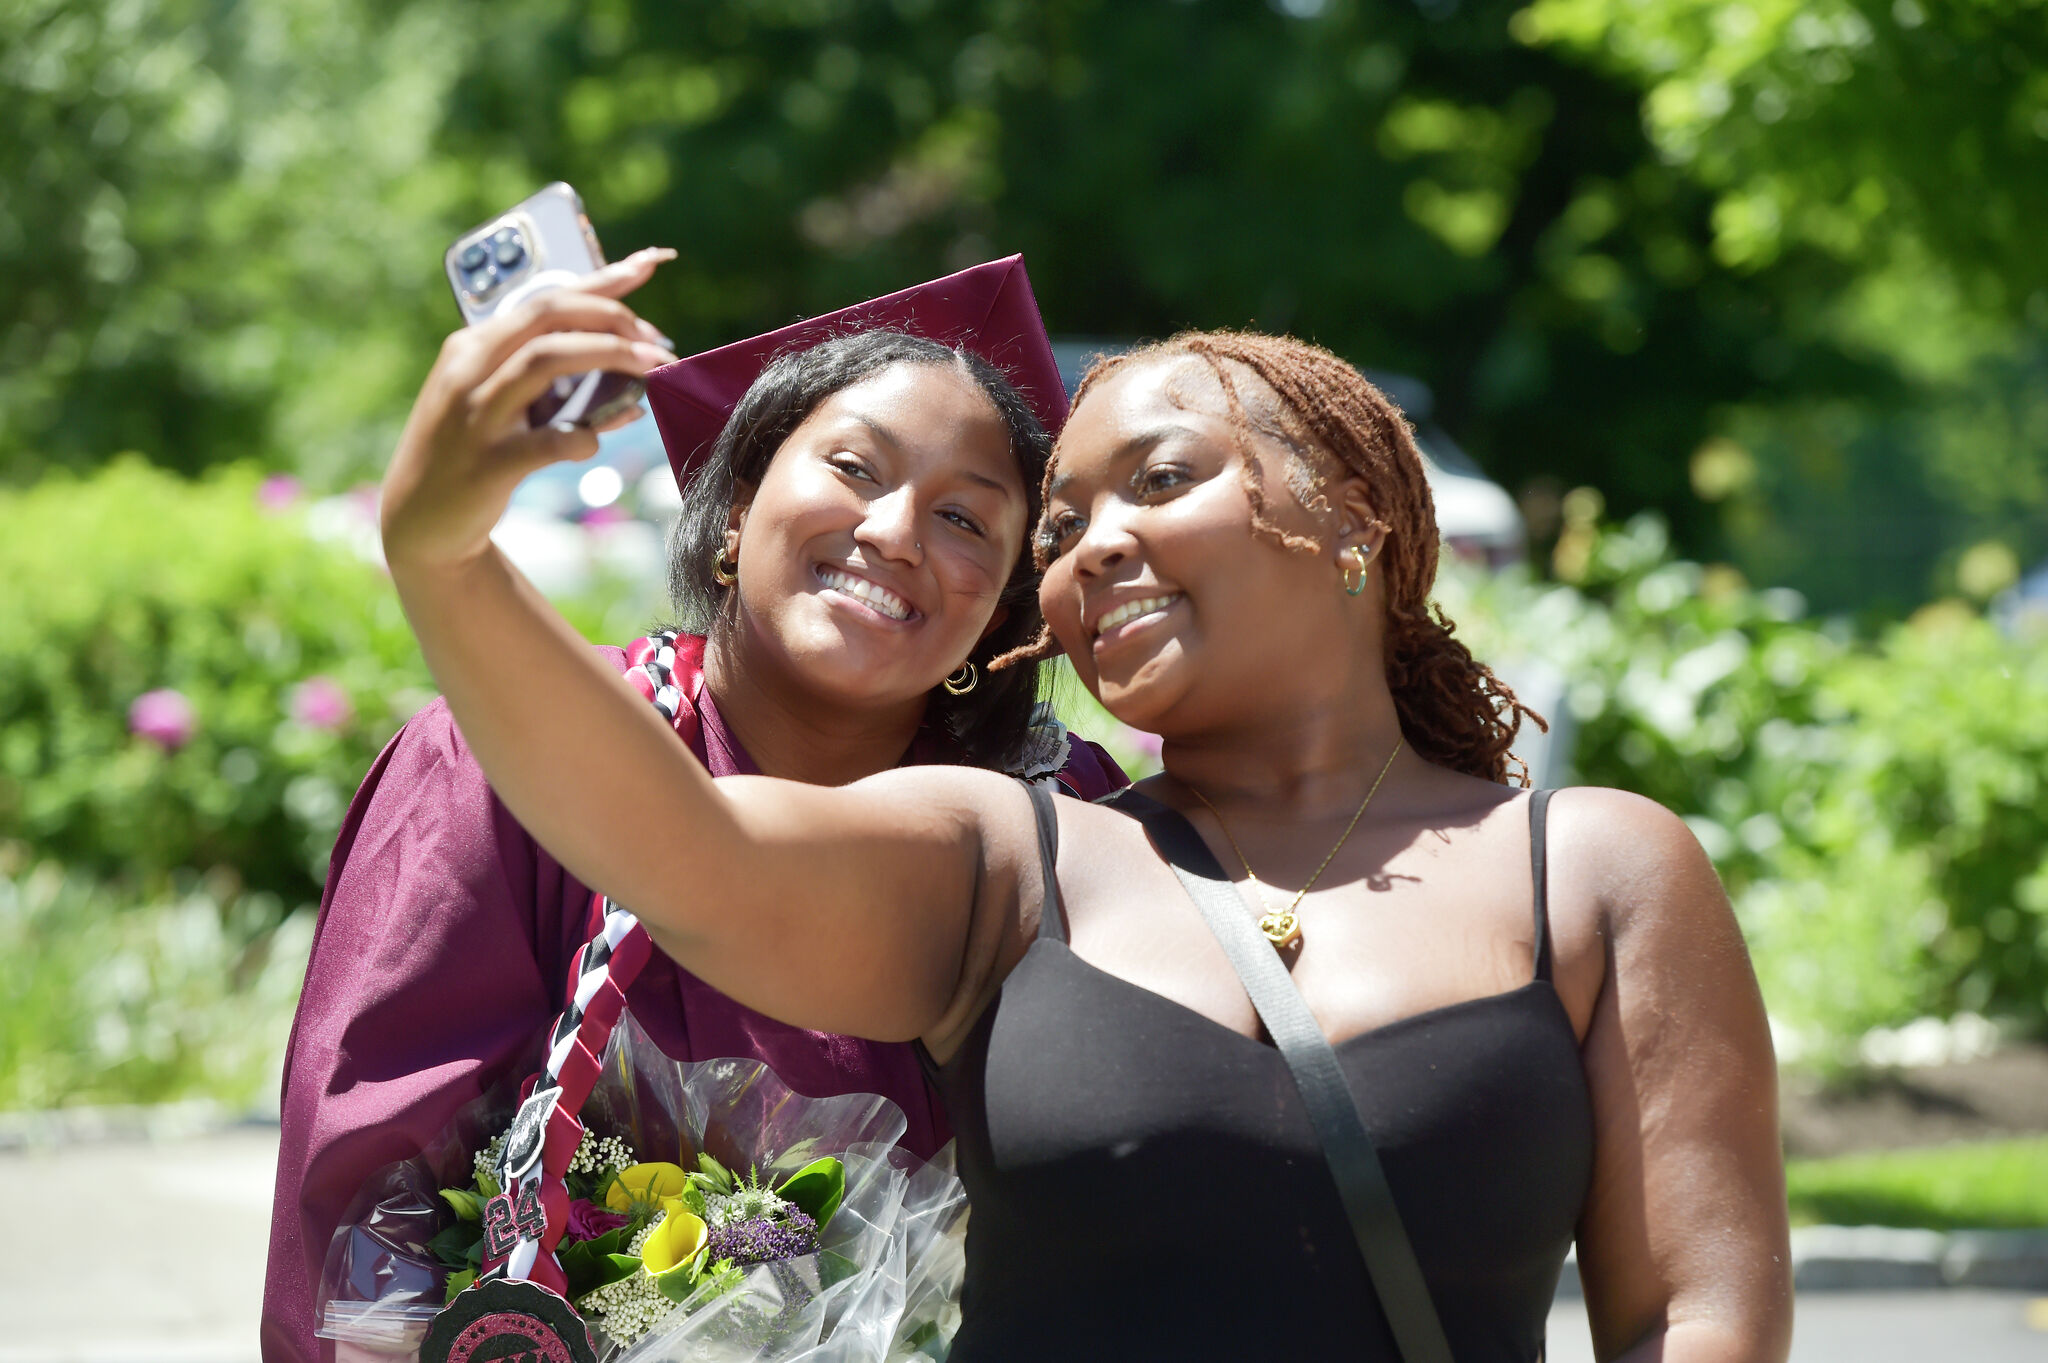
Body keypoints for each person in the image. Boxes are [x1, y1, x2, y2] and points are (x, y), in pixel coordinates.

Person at [377, 260, 1793, 1359]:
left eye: (1162, 481)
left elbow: (1693, 1312)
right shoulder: (1013, 852)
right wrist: (445, 550)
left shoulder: (1596, 870)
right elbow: (685, 845)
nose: (1094, 543)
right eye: (1055, 529)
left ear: (1354, 512)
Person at [263, 253, 1127, 1362]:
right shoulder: (513, 757)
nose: (899, 531)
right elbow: (370, 1185)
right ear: (731, 513)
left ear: (998, 614)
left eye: (967, 520)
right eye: (855, 466)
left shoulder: (1057, 821)